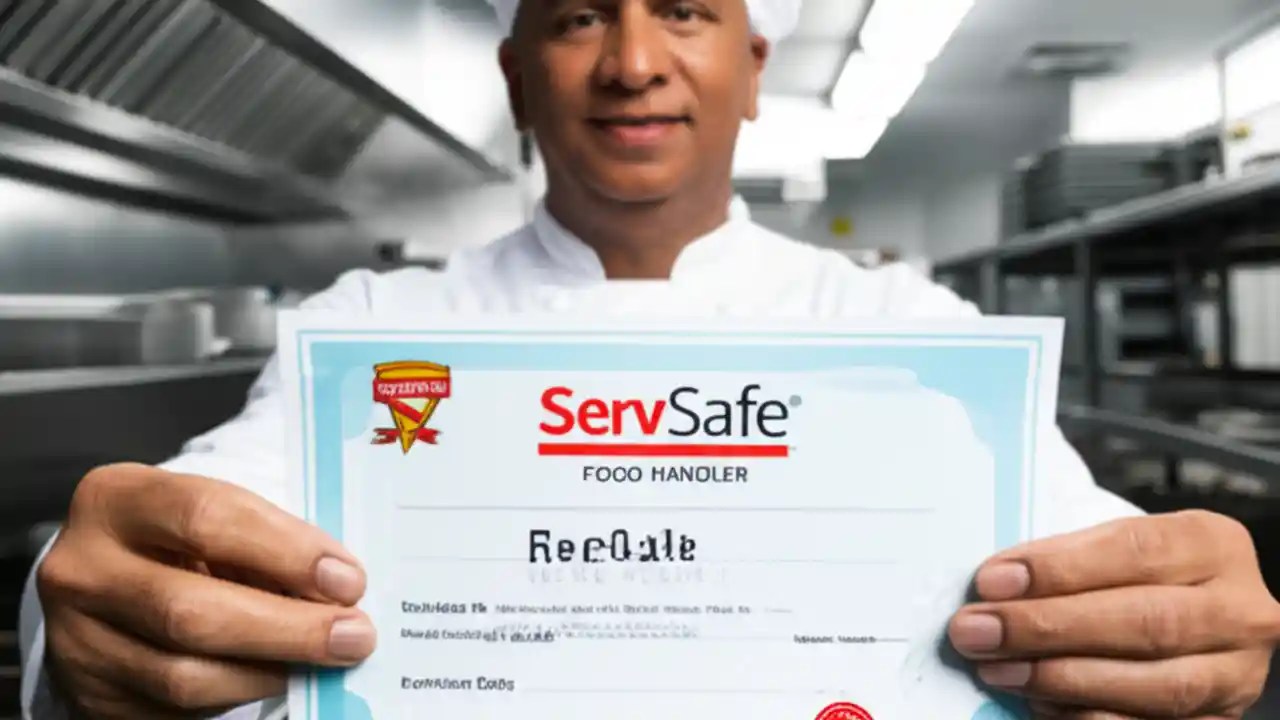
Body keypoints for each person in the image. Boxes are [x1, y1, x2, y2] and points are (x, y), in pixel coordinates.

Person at [19, 0, 1280, 717]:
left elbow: (1090, 576)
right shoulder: (366, 336)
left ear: (751, 71)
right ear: (516, 80)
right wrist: (68, 623)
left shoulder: (910, 340)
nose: (630, 61)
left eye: (683, 10)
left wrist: (1179, 633)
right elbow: (165, 561)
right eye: (576, 17)